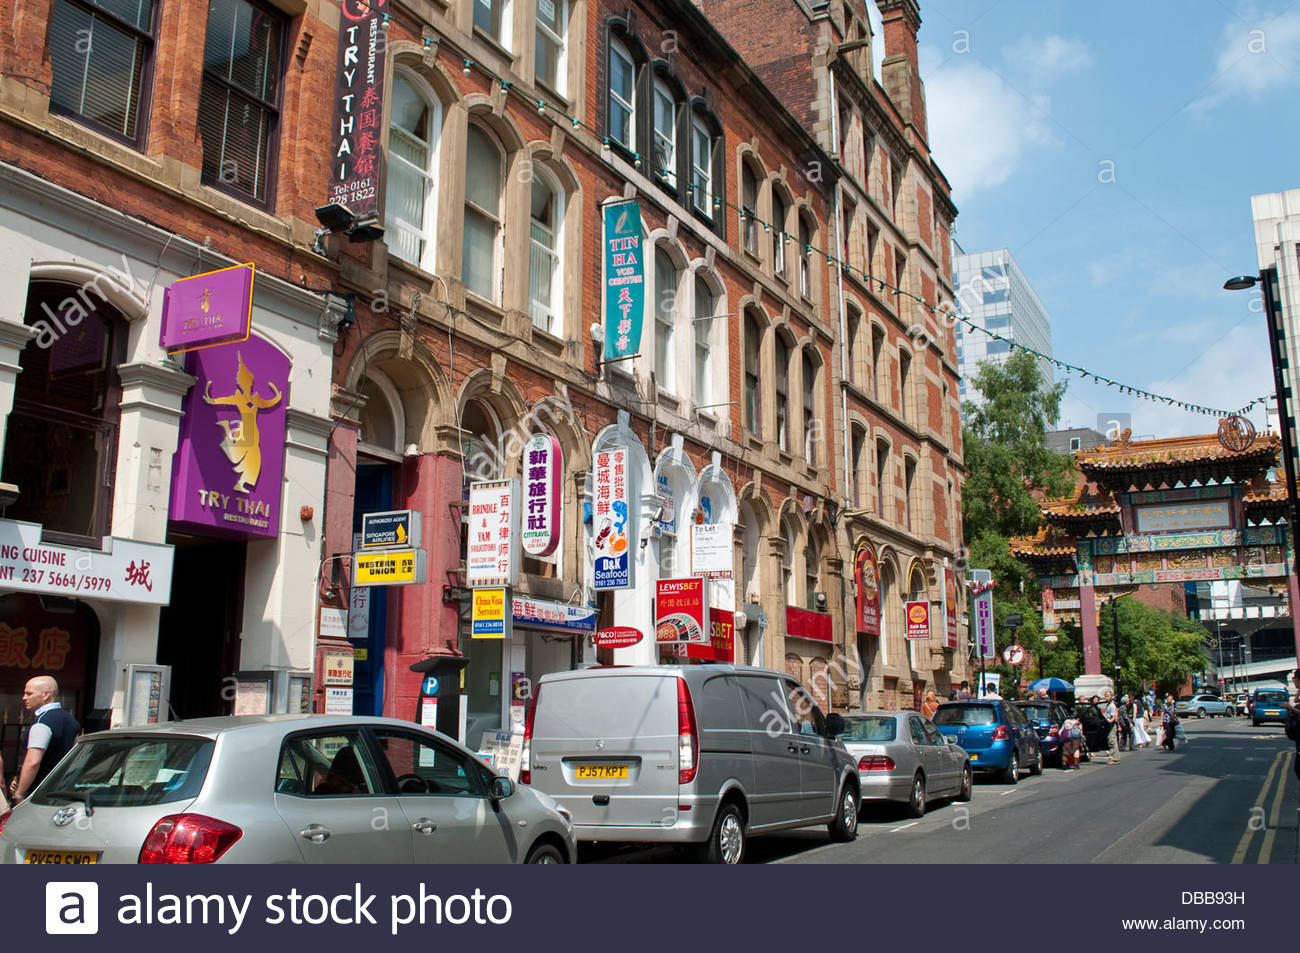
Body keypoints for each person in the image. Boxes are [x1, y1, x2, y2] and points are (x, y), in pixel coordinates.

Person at [9, 675, 80, 805]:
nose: (24, 698)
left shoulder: (43, 722)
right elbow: (77, 757)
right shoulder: (70, 720)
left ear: (46, 695)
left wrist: (20, 793)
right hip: (63, 791)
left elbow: (33, 762)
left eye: (29, 693)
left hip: (39, 793)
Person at [1101, 690, 1120, 764]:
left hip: (1111, 725)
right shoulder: (1108, 705)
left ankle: (1114, 758)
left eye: (1108, 696)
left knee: (1112, 741)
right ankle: (1114, 757)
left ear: (1111, 697)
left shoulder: (1112, 706)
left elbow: (1114, 717)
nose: (1106, 698)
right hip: (1108, 725)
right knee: (1110, 740)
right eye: (1105, 696)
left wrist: (1108, 722)